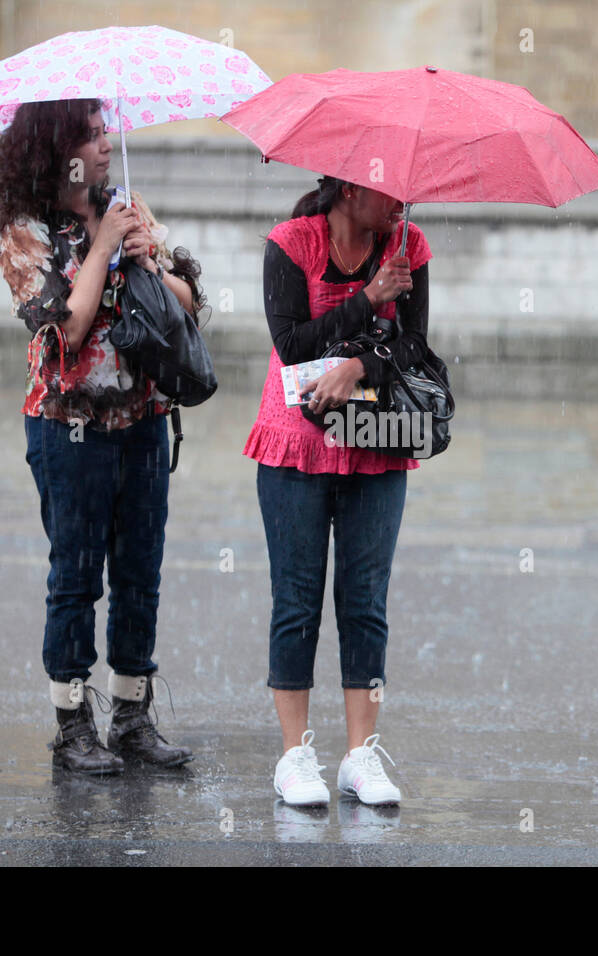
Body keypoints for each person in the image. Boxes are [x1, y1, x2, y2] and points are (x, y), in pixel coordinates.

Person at [0, 97, 206, 774]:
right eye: (92, 134)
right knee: (76, 576)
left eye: (106, 131)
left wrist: (150, 261)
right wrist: (106, 246)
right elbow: (65, 328)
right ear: (58, 150)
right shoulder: (24, 231)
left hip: (141, 419)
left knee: (140, 572)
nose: (107, 144)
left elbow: (191, 305)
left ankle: (134, 717)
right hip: (66, 428)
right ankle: (73, 725)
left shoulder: (124, 204)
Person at [243, 176, 433, 805]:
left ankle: (359, 756)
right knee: (296, 600)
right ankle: (295, 757)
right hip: (295, 443)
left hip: (376, 442)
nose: (402, 199)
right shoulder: (290, 245)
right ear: (351, 189)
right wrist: (366, 300)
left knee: (365, 601)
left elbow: (413, 347)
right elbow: (291, 344)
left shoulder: (411, 246)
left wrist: (359, 367)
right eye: (390, 188)